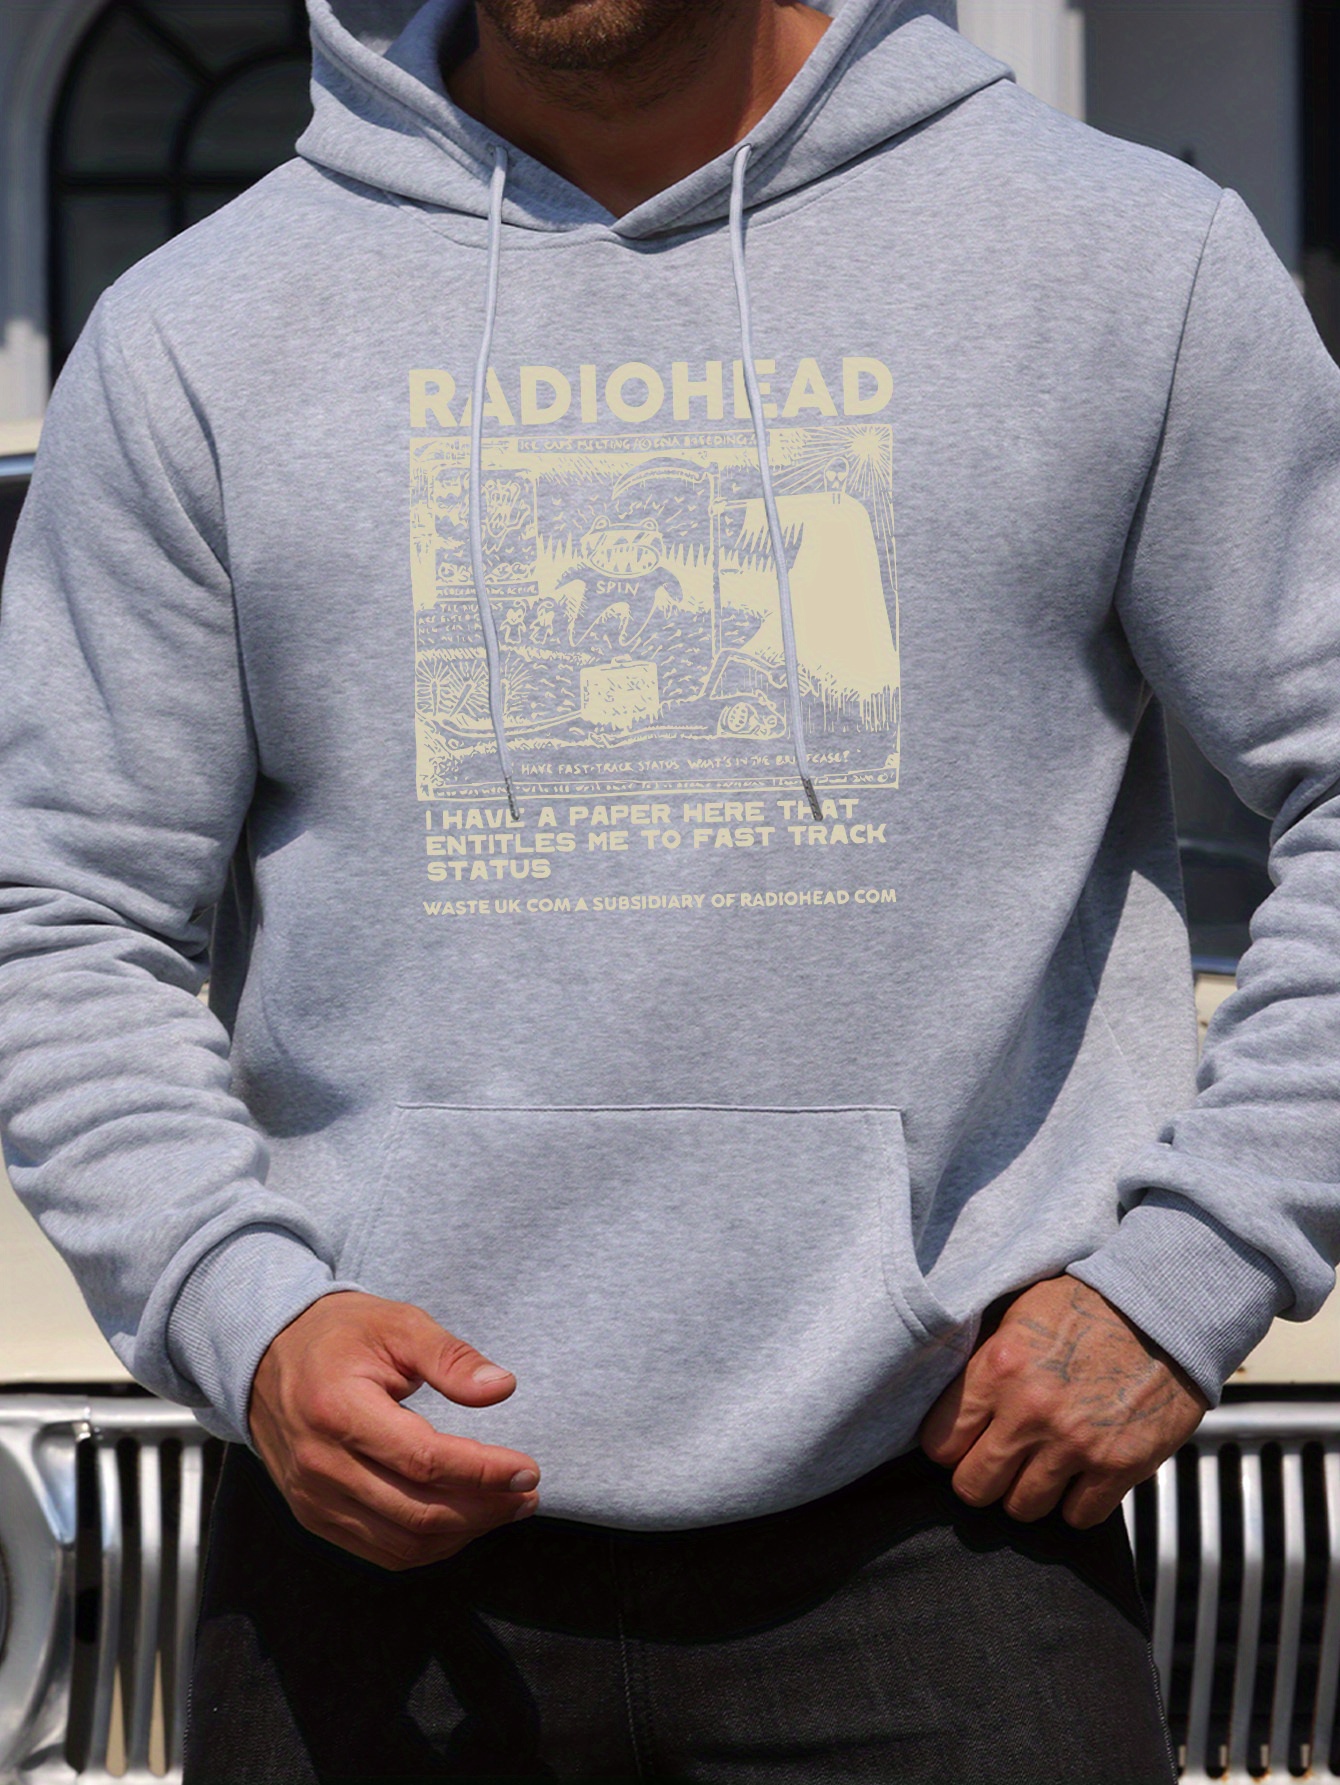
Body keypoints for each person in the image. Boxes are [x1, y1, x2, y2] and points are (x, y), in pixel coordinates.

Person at [1, 0, 1337, 1777]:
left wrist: (1193, 1264)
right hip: (366, 1542)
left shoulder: (1126, 268)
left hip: (949, 1524)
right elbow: (65, 913)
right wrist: (246, 1316)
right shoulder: (202, 332)